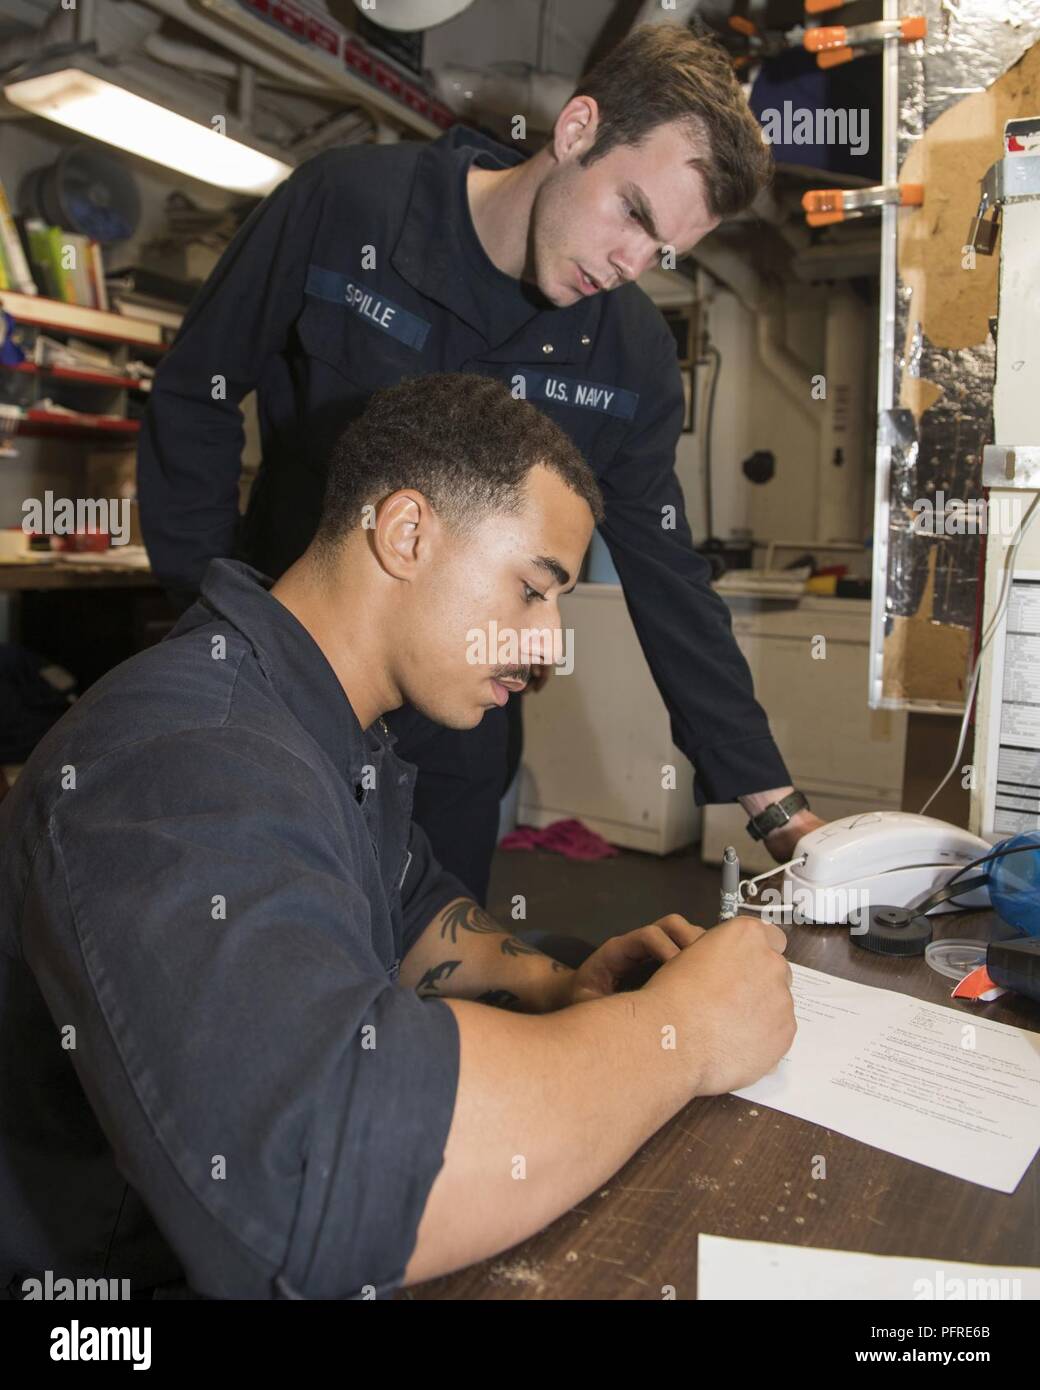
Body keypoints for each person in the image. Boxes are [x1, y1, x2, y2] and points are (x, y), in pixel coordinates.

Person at [0, 375, 795, 1299]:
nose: (548, 648)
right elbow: (315, 1173)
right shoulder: (188, 760)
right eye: (533, 592)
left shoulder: (315, 718)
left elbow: (402, 900)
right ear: (408, 533)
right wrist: (680, 1034)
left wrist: (556, 981)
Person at [137, 24, 823, 906]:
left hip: (458, 730)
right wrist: (211, 613)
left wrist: (772, 805)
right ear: (576, 130)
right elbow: (198, 392)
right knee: (258, 946)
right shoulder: (347, 210)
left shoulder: (630, 359)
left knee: (433, 963)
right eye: (634, 215)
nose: (629, 265)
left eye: (661, 254)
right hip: (283, 679)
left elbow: (668, 576)